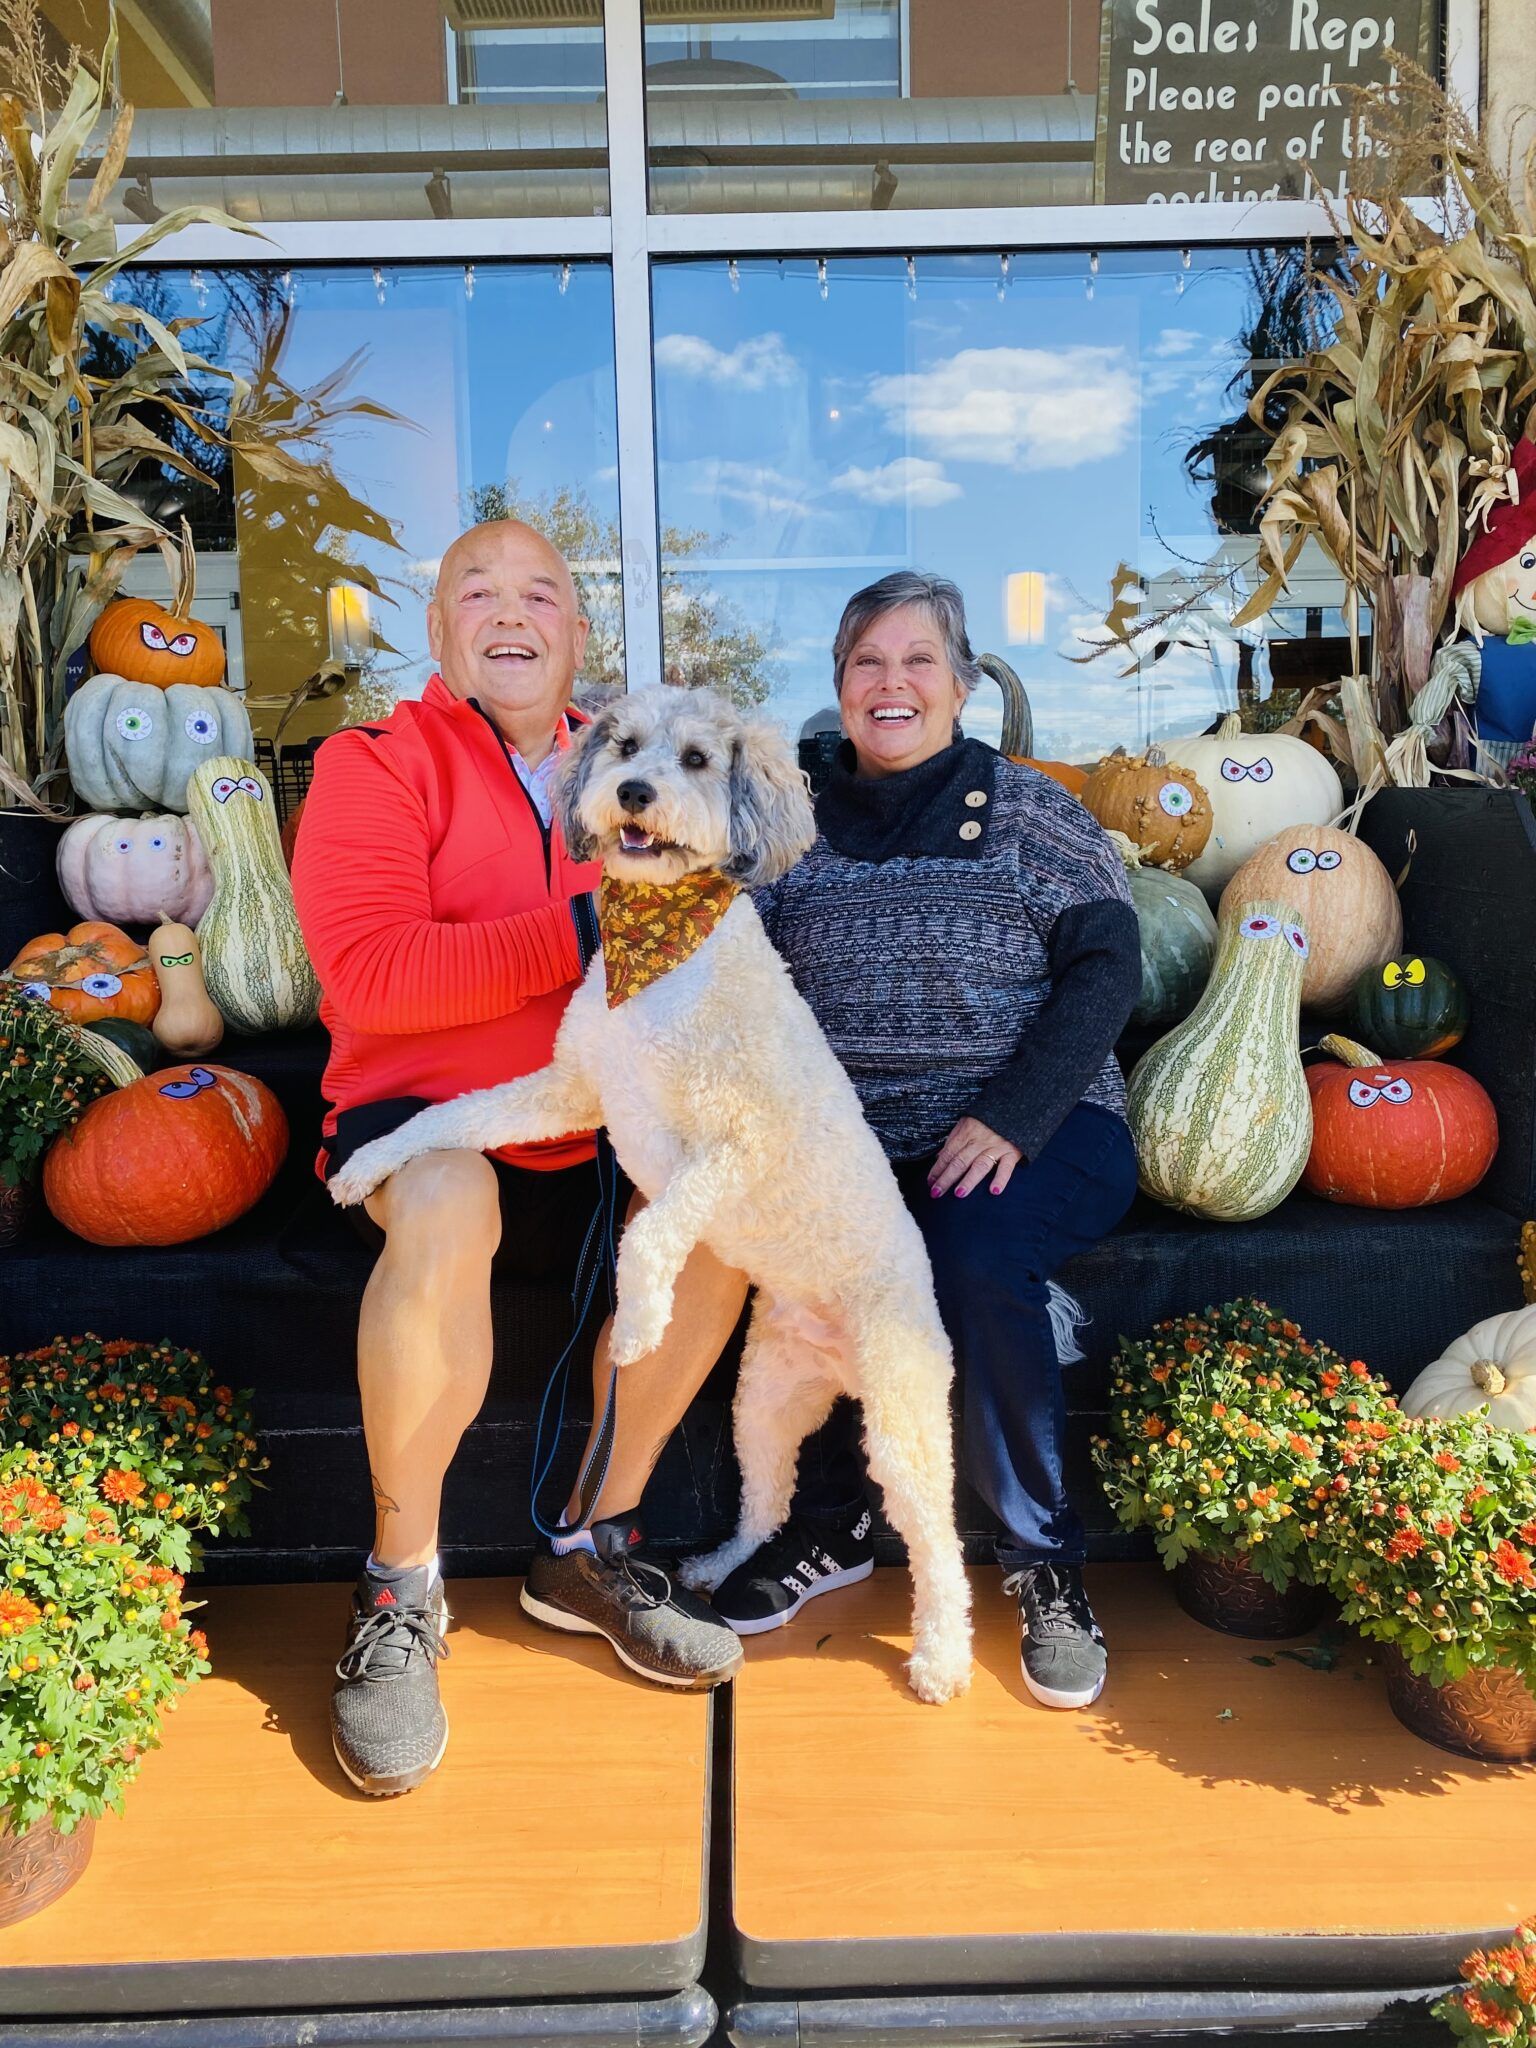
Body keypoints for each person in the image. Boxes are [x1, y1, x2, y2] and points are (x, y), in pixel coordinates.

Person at [292, 519, 748, 1799]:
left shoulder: (632, 760)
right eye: (475, 592)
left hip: (592, 1122)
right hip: (424, 1118)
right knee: (448, 1198)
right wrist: (590, 923)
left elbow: (700, 942)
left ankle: (588, 1542)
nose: (510, 611)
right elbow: (372, 976)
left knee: (722, 1212)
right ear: (437, 631)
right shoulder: (372, 764)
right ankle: (402, 1583)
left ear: (577, 633)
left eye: (539, 591)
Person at [710, 571, 1141, 1712]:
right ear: (841, 689)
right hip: (856, 1138)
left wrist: (1015, 1111)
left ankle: (1044, 1560)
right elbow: (735, 980)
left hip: (1036, 1123)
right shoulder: (787, 822)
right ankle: (834, 1527)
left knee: (970, 1249)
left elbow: (1111, 967)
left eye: (917, 660)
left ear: (960, 684)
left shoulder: (1033, 811)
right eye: (867, 662)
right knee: (827, 1250)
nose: (891, 682)